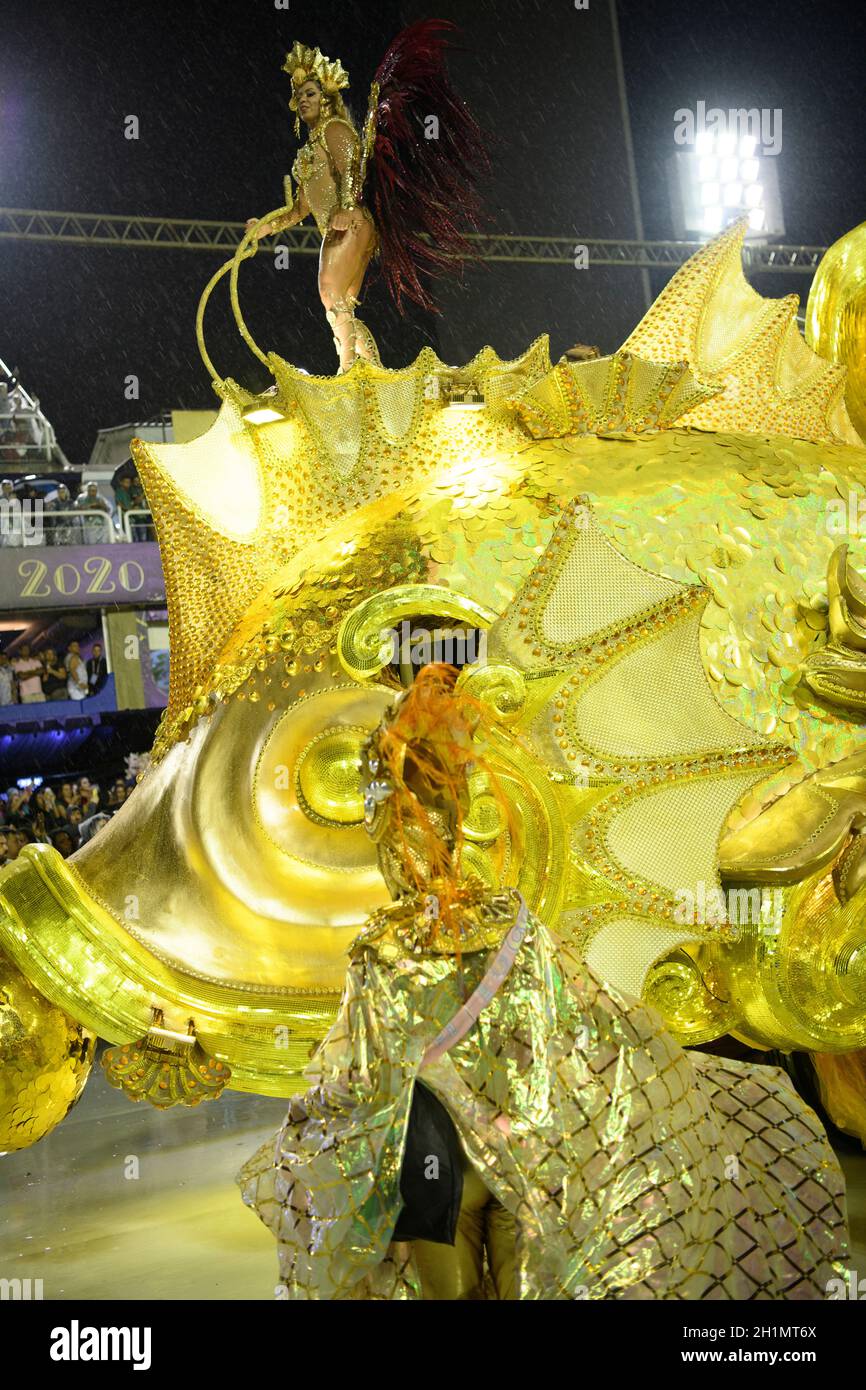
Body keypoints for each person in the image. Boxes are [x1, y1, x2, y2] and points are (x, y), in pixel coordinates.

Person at [239, 664, 848, 1300]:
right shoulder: (509, 919)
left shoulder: (385, 947)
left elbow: (359, 1085)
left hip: (442, 1167)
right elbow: (582, 1026)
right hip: (535, 1154)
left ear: (389, 833)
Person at [246, 23, 488, 373]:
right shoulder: (305, 154)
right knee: (339, 304)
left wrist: (346, 208)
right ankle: (370, 366)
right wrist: (265, 228)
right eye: (299, 96)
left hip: (352, 222)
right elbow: (298, 209)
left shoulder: (335, 130)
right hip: (340, 226)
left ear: (327, 98)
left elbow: (351, 170)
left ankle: (347, 371)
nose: (303, 100)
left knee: (329, 291)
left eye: (310, 93)